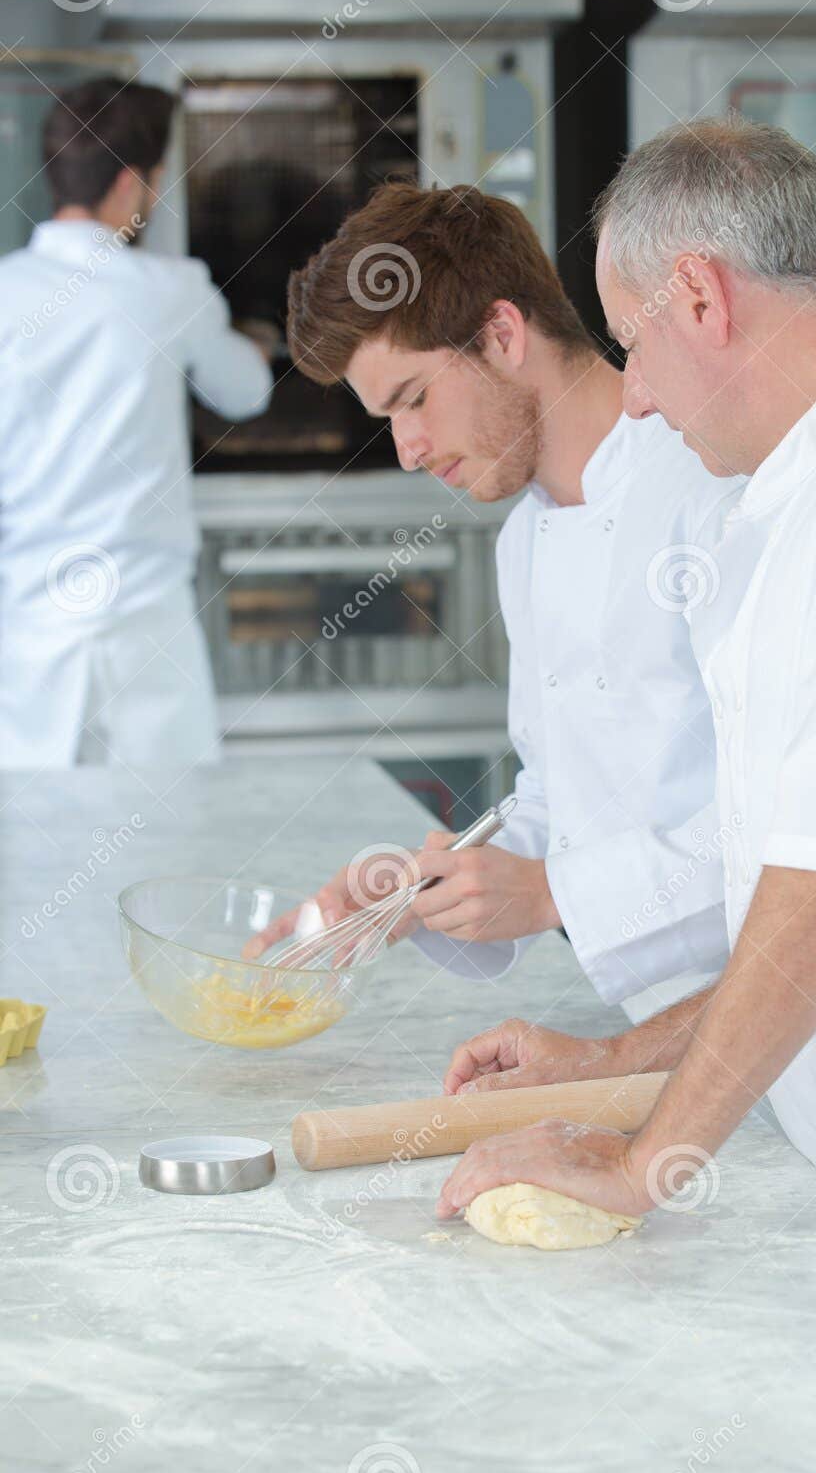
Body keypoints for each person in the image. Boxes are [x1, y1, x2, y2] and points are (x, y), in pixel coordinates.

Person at [434, 117, 816, 1393]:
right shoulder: (803, 493)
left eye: (633, 348)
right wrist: (619, 1061)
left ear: (701, 297)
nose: (642, 395)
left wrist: (640, 1161)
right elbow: (784, 881)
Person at [248, 181, 743, 1020]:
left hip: (774, 1021)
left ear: (503, 334)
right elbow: (560, 798)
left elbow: (789, 826)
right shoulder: (526, 540)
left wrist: (554, 895)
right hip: (647, 1025)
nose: (406, 450)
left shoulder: (710, 487)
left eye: (411, 400)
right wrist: (413, 892)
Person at [0, 78, 272, 767]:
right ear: (129, 185)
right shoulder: (169, 291)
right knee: (162, 848)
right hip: (145, 634)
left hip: (31, 630)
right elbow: (245, 393)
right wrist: (253, 344)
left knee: (35, 856)